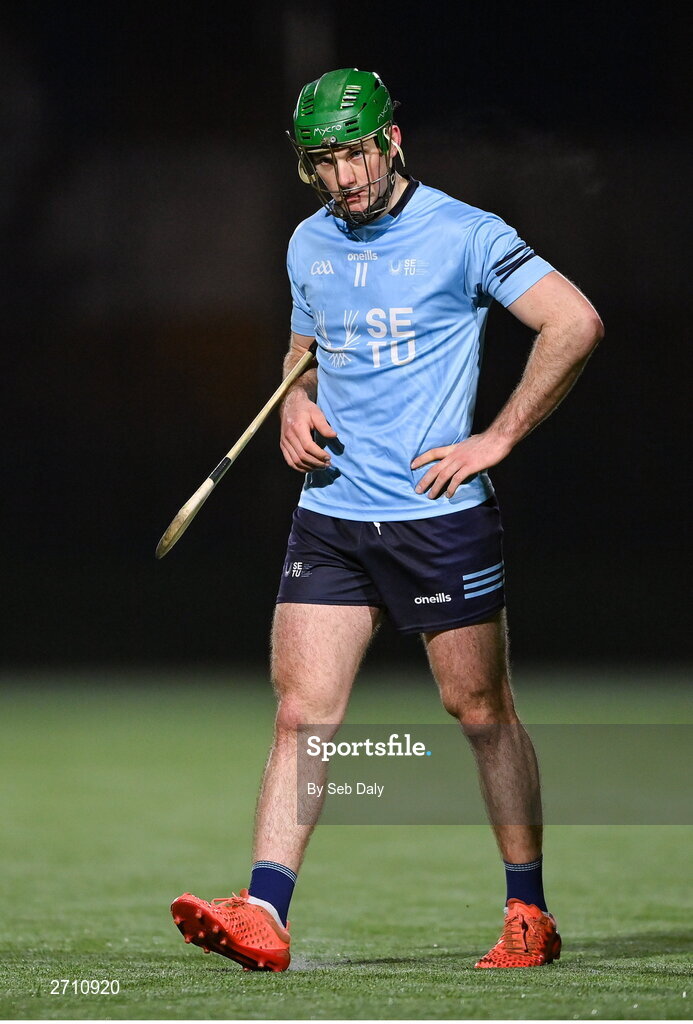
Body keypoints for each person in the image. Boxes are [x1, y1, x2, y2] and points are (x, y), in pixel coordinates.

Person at [171, 68, 603, 971]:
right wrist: (296, 403)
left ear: (390, 139)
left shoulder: (464, 234)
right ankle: (264, 912)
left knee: (478, 711)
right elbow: (305, 349)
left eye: (355, 154)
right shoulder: (307, 244)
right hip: (331, 513)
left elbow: (573, 322)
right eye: (323, 162)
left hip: (436, 516)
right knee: (301, 714)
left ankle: (527, 911)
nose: (344, 178)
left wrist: (497, 437)